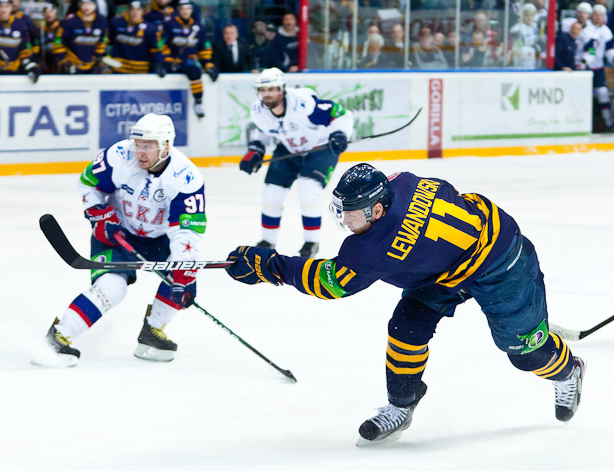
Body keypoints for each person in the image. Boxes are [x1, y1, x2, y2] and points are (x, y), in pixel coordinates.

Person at [225, 163, 586, 445]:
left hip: (501, 262)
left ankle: (569, 369)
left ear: (377, 210)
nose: (344, 220)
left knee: (525, 353)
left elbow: (328, 283)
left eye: (351, 213)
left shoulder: (372, 249)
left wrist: (266, 265)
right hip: (444, 264)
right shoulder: (400, 181)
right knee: (406, 329)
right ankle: (401, 406)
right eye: (342, 210)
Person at [36, 113, 206, 367]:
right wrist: (100, 216)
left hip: (161, 240)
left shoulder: (186, 176)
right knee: (112, 288)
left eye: (148, 145)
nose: (140, 151)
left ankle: (153, 332)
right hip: (116, 232)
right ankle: (58, 336)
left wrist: (183, 270)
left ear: (166, 146)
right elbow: (88, 185)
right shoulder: (118, 156)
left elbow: (186, 231)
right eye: (138, 144)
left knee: (185, 271)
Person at [239, 67, 354, 258]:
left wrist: (340, 134)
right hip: (289, 147)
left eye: (272, 89)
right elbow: (263, 130)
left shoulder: (303, 104)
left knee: (308, 188)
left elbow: (341, 114)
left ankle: (311, 243)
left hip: (320, 146)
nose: (267, 94)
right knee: (271, 194)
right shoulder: (258, 110)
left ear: (282, 89)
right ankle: (267, 241)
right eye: (263, 90)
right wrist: (255, 150)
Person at [161, 0, 218, 118]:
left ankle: (198, 102)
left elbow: (204, 49)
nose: (185, 11)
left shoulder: (199, 27)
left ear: (191, 10)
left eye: (188, 8)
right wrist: (167, 61)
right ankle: (174, 106)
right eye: (182, 8)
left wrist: (208, 65)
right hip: (173, 63)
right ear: (178, 10)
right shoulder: (169, 25)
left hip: (189, 62)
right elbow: (163, 45)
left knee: (194, 71)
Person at [109, 0, 166, 76]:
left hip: (141, 71)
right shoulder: (116, 23)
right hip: (118, 69)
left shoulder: (151, 28)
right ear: (127, 10)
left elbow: (157, 49)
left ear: (143, 11)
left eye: (138, 10)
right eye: (132, 10)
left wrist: (159, 64)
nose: (135, 13)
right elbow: (107, 40)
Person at [581, 5, 614, 131]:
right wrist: (585, 61)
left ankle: (608, 123)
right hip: (585, 67)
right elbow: (591, 50)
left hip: (598, 68)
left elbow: (609, 50)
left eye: (601, 14)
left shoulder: (606, 31)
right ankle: (584, 124)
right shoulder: (586, 29)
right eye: (596, 14)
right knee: (584, 94)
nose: (598, 17)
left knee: (603, 93)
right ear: (592, 15)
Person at [59, 0, 109, 73]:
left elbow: (103, 41)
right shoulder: (70, 21)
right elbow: (58, 42)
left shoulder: (101, 20)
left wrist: (98, 60)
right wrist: (62, 60)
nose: (86, 7)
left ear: (95, 5)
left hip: (92, 64)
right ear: (79, 5)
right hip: (72, 64)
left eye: (90, 4)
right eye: (84, 4)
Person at [40, 3, 64, 74]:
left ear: (56, 14)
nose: (48, 14)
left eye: (51, 11)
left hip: (61, 63)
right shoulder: (41, 31)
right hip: (47, 64)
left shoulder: (63, 27)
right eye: (46, 12)